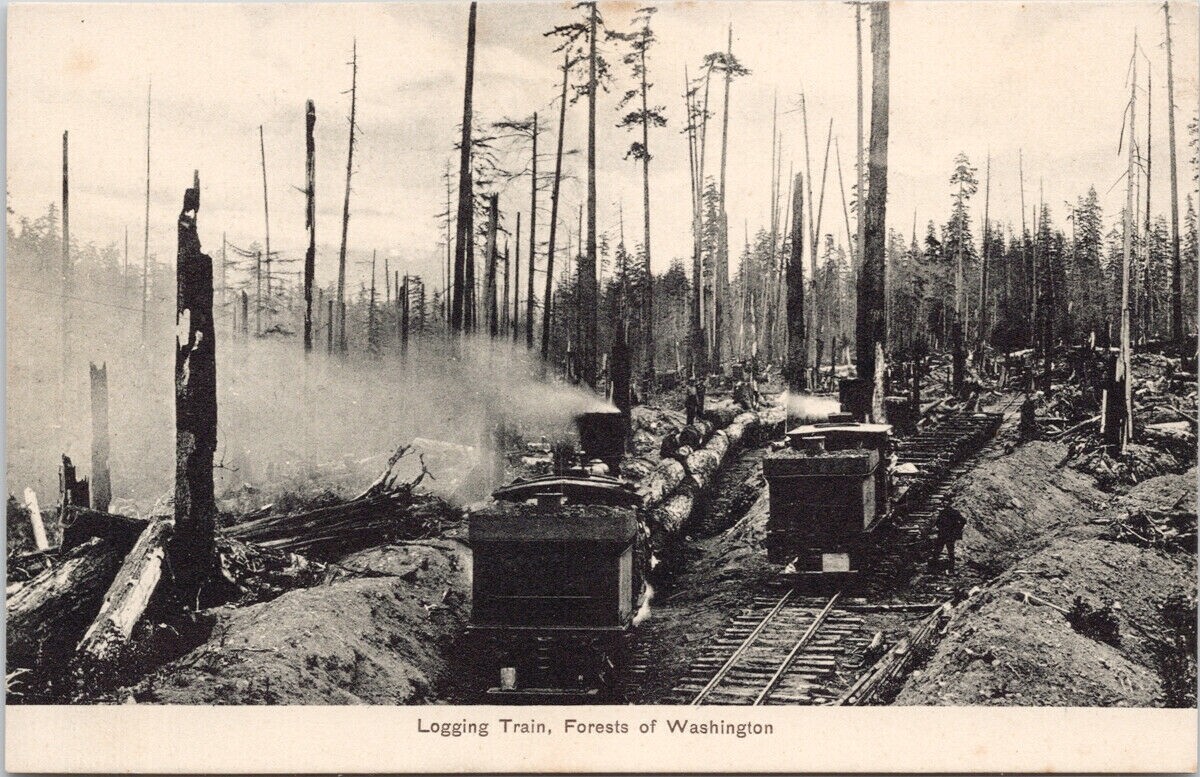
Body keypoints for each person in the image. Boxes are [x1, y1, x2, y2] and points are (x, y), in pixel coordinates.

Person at [930, 505, 967, 575]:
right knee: (947, 552)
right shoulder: (949, 512)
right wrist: (957, 529)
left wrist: (957, 529)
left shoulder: (951, 512)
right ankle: (949, 570)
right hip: (947, 535)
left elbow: (963, 521)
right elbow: (963, 521)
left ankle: (935, 569)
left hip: (945, 535)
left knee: (940, 552)